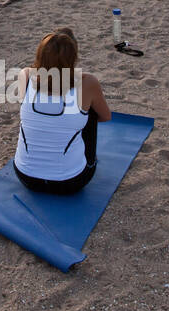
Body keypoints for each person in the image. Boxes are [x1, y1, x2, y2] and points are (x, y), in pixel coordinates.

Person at [12, 28, 112, 195]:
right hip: (70, 182)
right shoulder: (87, 82)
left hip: (25, 177)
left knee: (43, 120)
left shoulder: (25, 75)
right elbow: (105, 117)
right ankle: (88, 161)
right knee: (89, 114)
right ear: (74, 57)